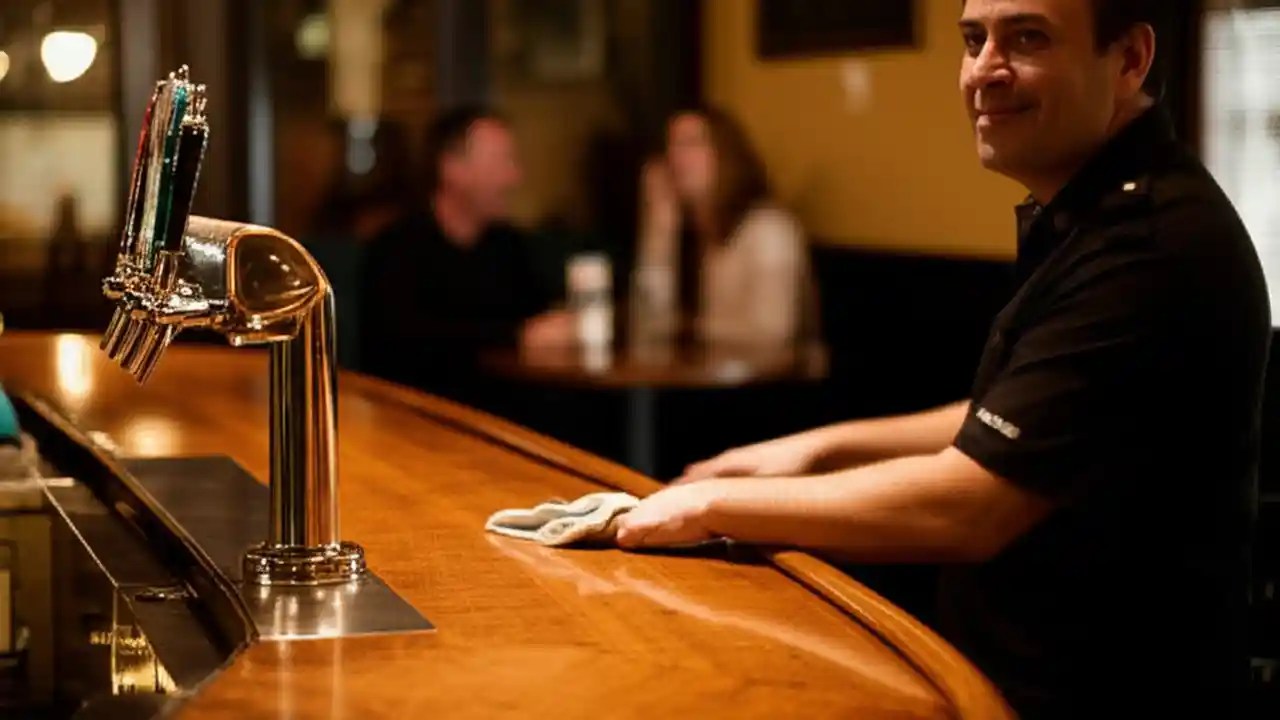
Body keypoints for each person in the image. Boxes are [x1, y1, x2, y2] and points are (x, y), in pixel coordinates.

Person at [614, 1, 1270, 716]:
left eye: (1027, 37)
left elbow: (973, 505)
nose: (984, 70)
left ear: (1130, 60)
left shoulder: (1146, 242)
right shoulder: (1101, 211)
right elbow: (1035, 417)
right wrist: (814, 448)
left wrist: (715, 506)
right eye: (972, 38)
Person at [359, 107, 573, 407]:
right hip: (419, 420)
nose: (515, 177)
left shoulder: (507, 245)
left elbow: (542, 315)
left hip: (508, 415)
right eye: (502, 163)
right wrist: (515, 336)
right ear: (452, 169)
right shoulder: (398, 249)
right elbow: (407, 343)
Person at [633, 108, 812, 347]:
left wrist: (686, 327)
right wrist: (659, 230)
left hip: (775, 379)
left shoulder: (769, 228)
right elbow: (648, 322)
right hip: (711, 374)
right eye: (672, 146)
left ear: (726, 155)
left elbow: (773, 332)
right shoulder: (699, 233)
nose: (676, 157)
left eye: (692, 144)